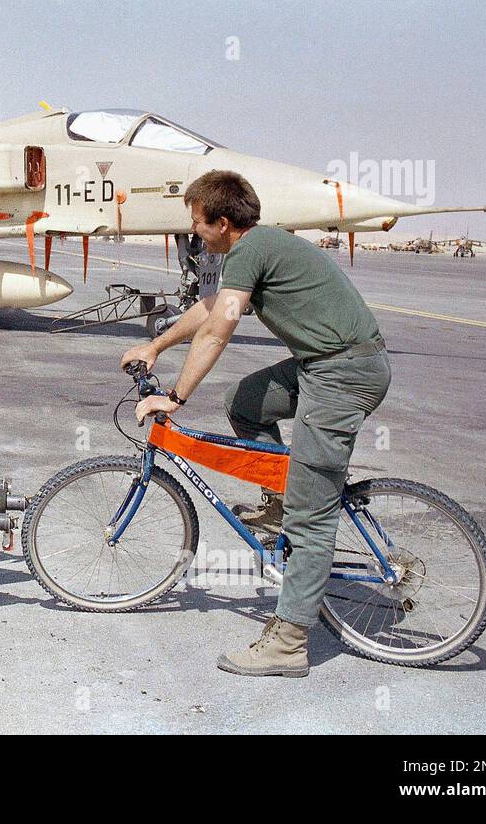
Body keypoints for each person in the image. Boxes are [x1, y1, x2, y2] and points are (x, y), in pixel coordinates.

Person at [121, 170, 391, 678]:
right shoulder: (255, 247)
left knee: (312, 519)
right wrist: (155, 346)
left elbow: (219, 331)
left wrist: (175, 397)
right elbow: (209, 309)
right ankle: (279, 499)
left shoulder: (251, 250)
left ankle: (288, 646)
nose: (194, 232)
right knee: (245, 402)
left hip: (343, 374)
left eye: (197, 223)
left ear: (222, 223)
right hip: (325, 363)